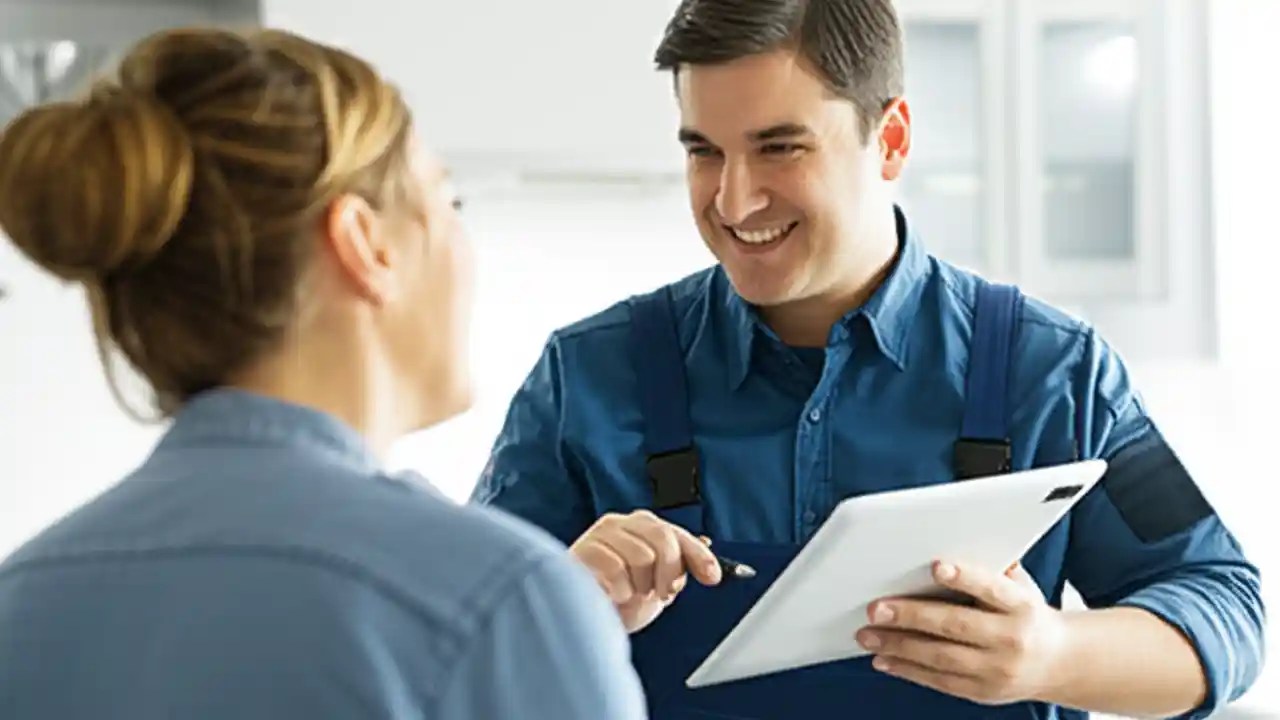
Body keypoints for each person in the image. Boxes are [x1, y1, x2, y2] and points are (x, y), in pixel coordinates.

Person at [471, 0, 1266, 718]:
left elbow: (1225, 608)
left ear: (890, 140)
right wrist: (561, 607)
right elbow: (446, 653)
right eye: (704, 151)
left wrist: (1053, 656)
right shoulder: (587, 377)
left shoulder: (1056, 372)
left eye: (780, 148)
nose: (734, 201)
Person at [0, 27, 646, 720]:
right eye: (448, 202)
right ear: (365, 244)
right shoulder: (499, 603)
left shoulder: (22, 600)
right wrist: (546, 633)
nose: (464, 247)